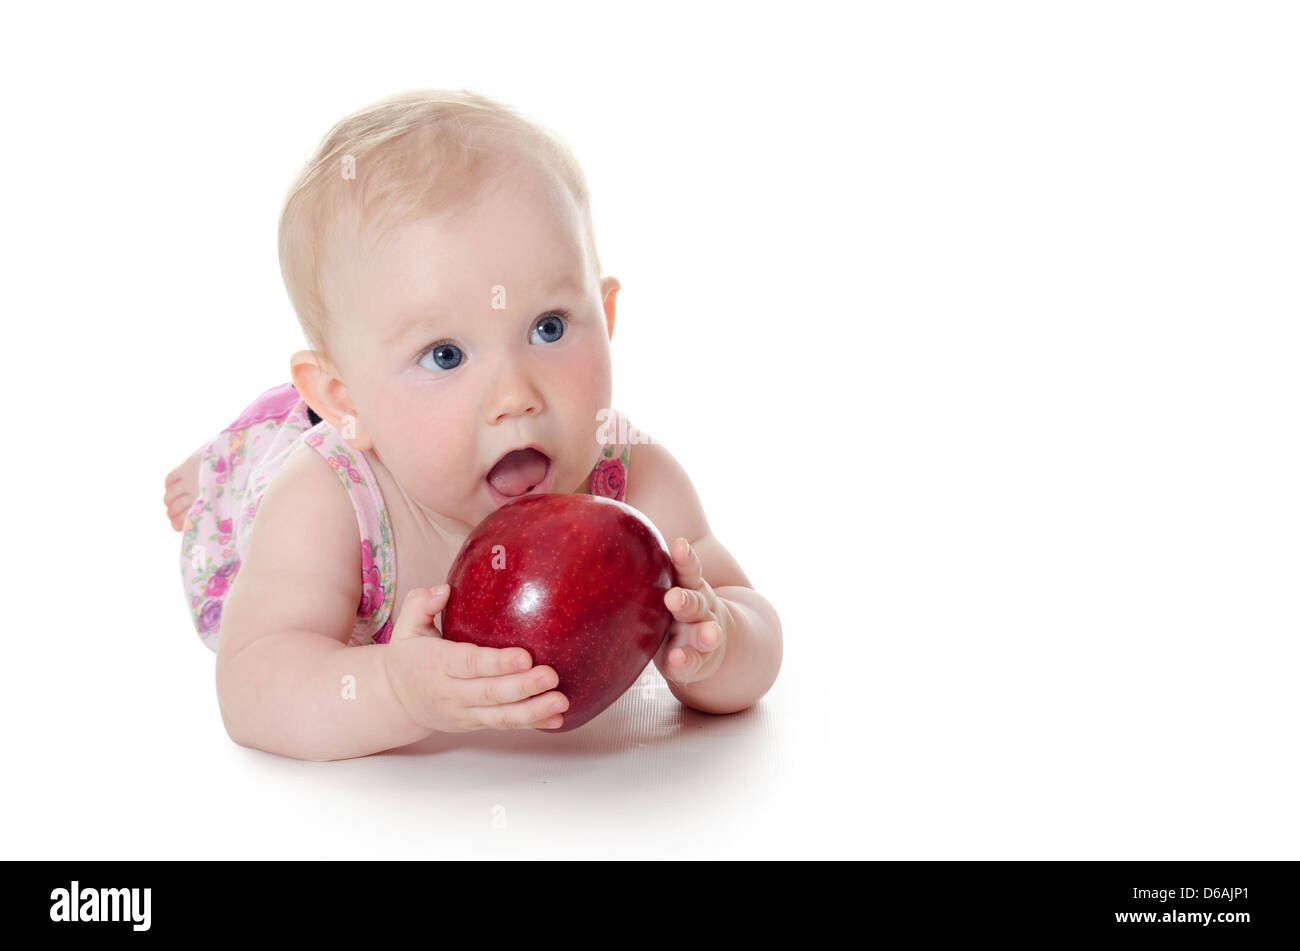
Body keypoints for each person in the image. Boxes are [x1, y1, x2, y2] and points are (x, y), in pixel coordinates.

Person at [162, 89, 782, 761]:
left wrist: (716, 643)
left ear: (605, 319)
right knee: (259, 465)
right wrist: (395, 691)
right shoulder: (327, 502)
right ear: (347, 400)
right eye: (446, 355)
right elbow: (253, 686)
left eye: (548, 328)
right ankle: (238, 449)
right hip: (290, 481)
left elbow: (754, 622)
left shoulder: (631, 478)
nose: (515, 395)